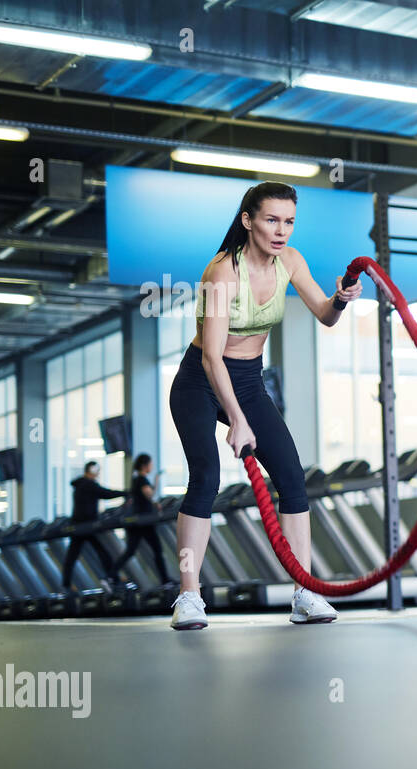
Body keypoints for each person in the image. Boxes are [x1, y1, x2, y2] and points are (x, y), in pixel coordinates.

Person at [168, 181, 362, 630]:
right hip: (200, 380)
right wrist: (235, 420)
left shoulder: (290, 262)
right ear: (248, 220)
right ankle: (189, 596)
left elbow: (325, 315)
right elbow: (212, 356)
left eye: (289, 221)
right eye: (271, 220)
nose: (281, 231)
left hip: (250, 382)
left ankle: (304, 591)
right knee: (206, 478)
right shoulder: (222, 272)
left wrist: (340, 299)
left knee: (293, 479)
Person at [109, 453, 172, 586]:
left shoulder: (136, 478)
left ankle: (110, 575)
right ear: (145, 465)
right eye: (151, 464)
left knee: (131, 551)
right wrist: (156, 480)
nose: (152, 466)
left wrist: (154, 503)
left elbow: (143, 498)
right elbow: (149, 494)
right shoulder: (142, 479)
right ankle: (165, 579)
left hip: (138, 520)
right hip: (143, 521)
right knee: (157, 550)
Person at [61, 460, 124, 590]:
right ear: (92, 471)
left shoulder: (80, 484)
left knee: (73, 556)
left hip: (79, 525)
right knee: (102, 553)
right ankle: (113, 578)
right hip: (86, 525)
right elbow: (105, 493)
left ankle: (66, 584)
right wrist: (126, 493)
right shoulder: (88, 484)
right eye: (98, 471)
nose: (99, 474)